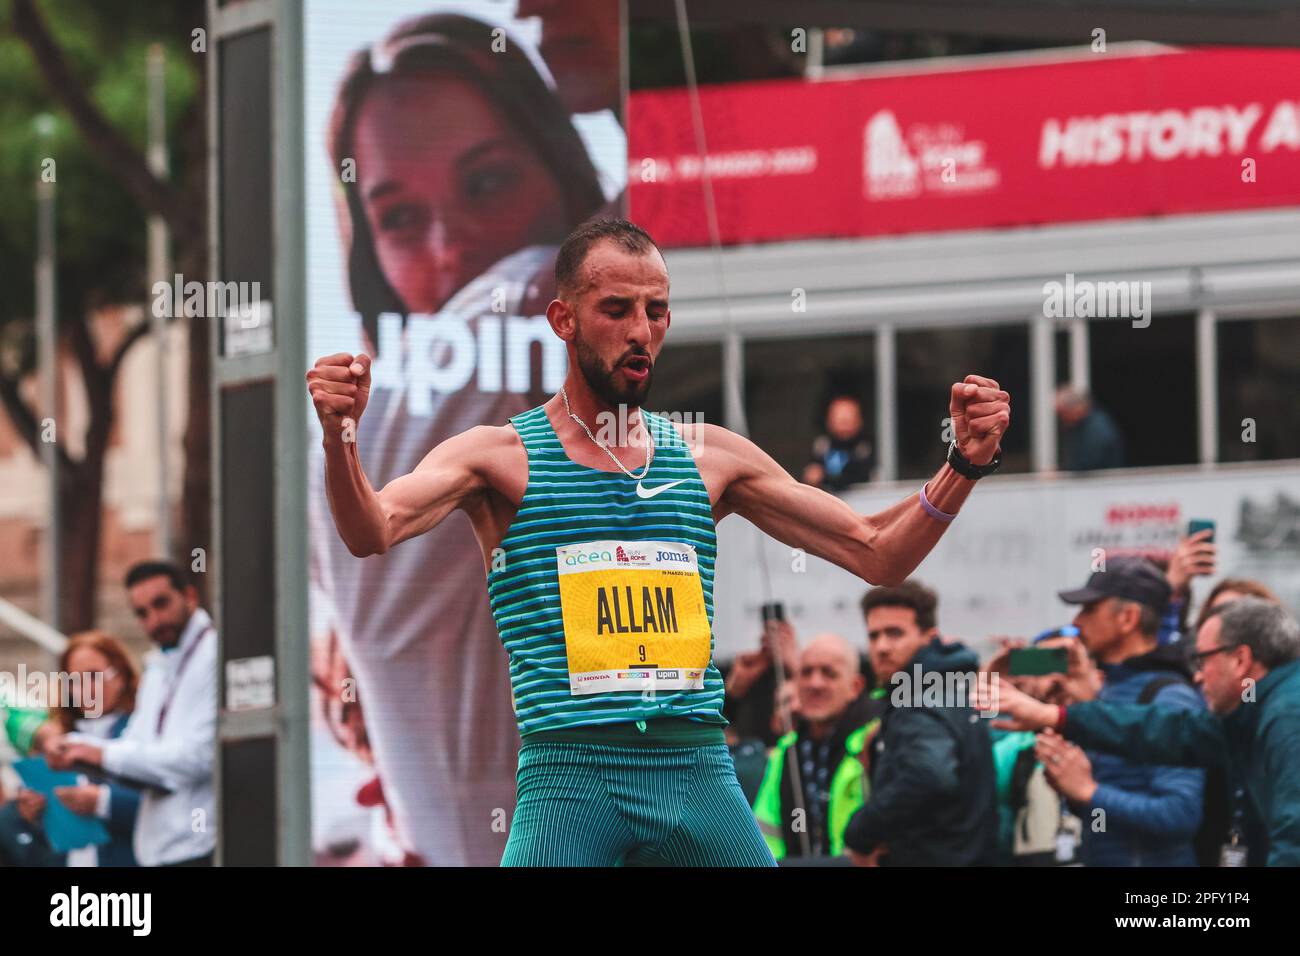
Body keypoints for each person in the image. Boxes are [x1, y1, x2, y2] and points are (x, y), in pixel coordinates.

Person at [307, 217, 1011, 866]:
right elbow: (373, 530)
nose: (641, 331)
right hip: (570, 778)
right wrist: (342, 436)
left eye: (656, 311)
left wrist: (965, 464)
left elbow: (877, 551)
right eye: (616, 310)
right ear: (563, 319)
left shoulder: (710, 458)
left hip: (696, 771)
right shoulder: (497, 457)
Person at [312, 12, 610, 865]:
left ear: (556, 169)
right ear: (367, 248)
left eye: (486, 186)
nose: (452, 249)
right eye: (400, 218)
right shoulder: (365, 432)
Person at [984, 597, 1300, 866]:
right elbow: (1167, 732)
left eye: (1202, 660)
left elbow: (1294, 838)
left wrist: (1089, 792)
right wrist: (1057, 715)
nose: (1199, 677)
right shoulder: (1254, 712)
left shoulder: (1287, 716)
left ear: (1241, 659)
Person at [46, 561, 216, 867]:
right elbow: (138, 748)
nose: (154, 620)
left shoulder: (213, 655)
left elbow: (196, 757)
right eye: (141, 613)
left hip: (198, 848)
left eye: (161, 604)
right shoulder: (159, 668)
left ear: (189, 596)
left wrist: (99, 760)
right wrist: (80, 752)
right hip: (160, 852)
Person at [1048, 556, 1206, 866]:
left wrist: (1088, 789)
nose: (1076, 622)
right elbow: (1103, 811)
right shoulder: (1108, 690)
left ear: (1128, 618)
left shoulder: (1170, 698)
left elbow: (1180, 814)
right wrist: (1066, 777)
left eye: (1089, 609)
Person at [842, 580, 998, 866]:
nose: (882, 647)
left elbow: (930, 774)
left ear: (930, 637)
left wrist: (859, 831)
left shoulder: (918, 697)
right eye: (874, 636)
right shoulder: (952, 687)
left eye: (895, 633)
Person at [752, 633, 874, 861]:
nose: (815, 683)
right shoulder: (785, 752)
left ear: (855, 687)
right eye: (806, 673)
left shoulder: (874, 742)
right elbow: (766, 841)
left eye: (829, 673)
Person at [802, 396, 874, 492]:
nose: (843, 421)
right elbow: (812, 473)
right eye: (838, 416)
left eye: (848, 416)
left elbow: (860, 476)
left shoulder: (864, 447)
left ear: (859, 420)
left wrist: (825, 477)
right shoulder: (822, 445)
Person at [1055, 385, 1124, 471]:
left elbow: (1089, 462)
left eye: (1063, 413)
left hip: (1103, 481)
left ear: (1077, 408)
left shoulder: (1097, 428)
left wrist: (1061, 471)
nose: (1062, 419)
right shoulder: (1082, 425)